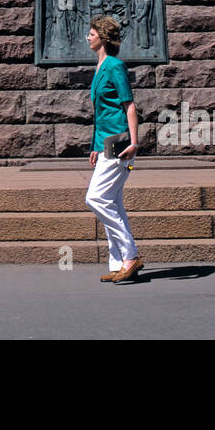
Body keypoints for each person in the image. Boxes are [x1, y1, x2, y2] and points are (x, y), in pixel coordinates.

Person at [84, 15, 142, 283]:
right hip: (105, 143)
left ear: (103, 37)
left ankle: (130, 255)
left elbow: (128, 106)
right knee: (113, 203)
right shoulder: (100, 66)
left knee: (95, 198)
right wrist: (95, 146)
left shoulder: (115, 66)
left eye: (92, 32)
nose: (88, 36)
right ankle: (120, 263)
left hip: (120, 144)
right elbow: (100, 113)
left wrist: (134, 142)